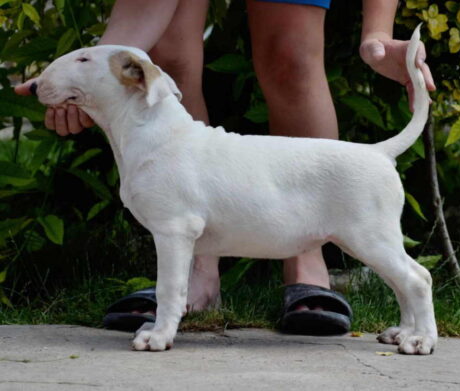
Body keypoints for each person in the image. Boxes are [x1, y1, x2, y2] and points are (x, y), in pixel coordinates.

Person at [16, 0, 435, 335]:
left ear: (139, 81)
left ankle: (172, 317)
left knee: (384, 254)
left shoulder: (165, 149)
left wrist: (378, 31)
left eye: (87, 63)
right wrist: (76, 79)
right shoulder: (159, 151)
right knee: (175, 51)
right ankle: (198, 283)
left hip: (351, 171)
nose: (81, 65)